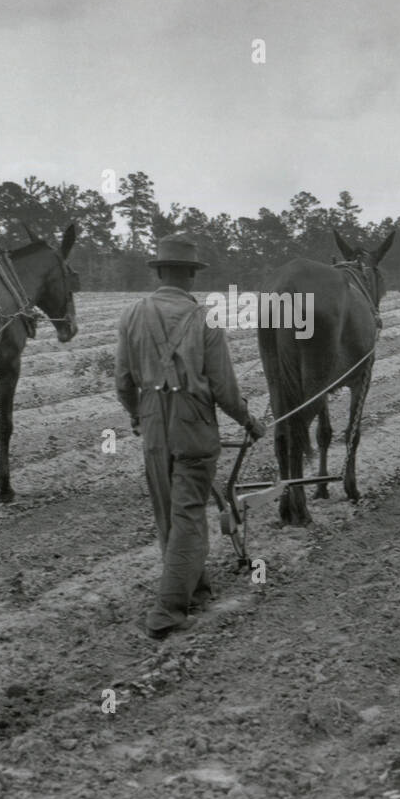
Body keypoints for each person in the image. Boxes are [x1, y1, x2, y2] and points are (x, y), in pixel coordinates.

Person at [115, 232, 265, 639]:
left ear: (159, 272)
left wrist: (137, 416)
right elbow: (225, 390)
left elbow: (123, 382)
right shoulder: (205, 318)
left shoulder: (132, 314)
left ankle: (196, 588)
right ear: (192, 277)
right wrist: (250, 422)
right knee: (189, 516)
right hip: (194, 425)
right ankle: (168, 610)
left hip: (152, 422)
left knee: (169, 514)